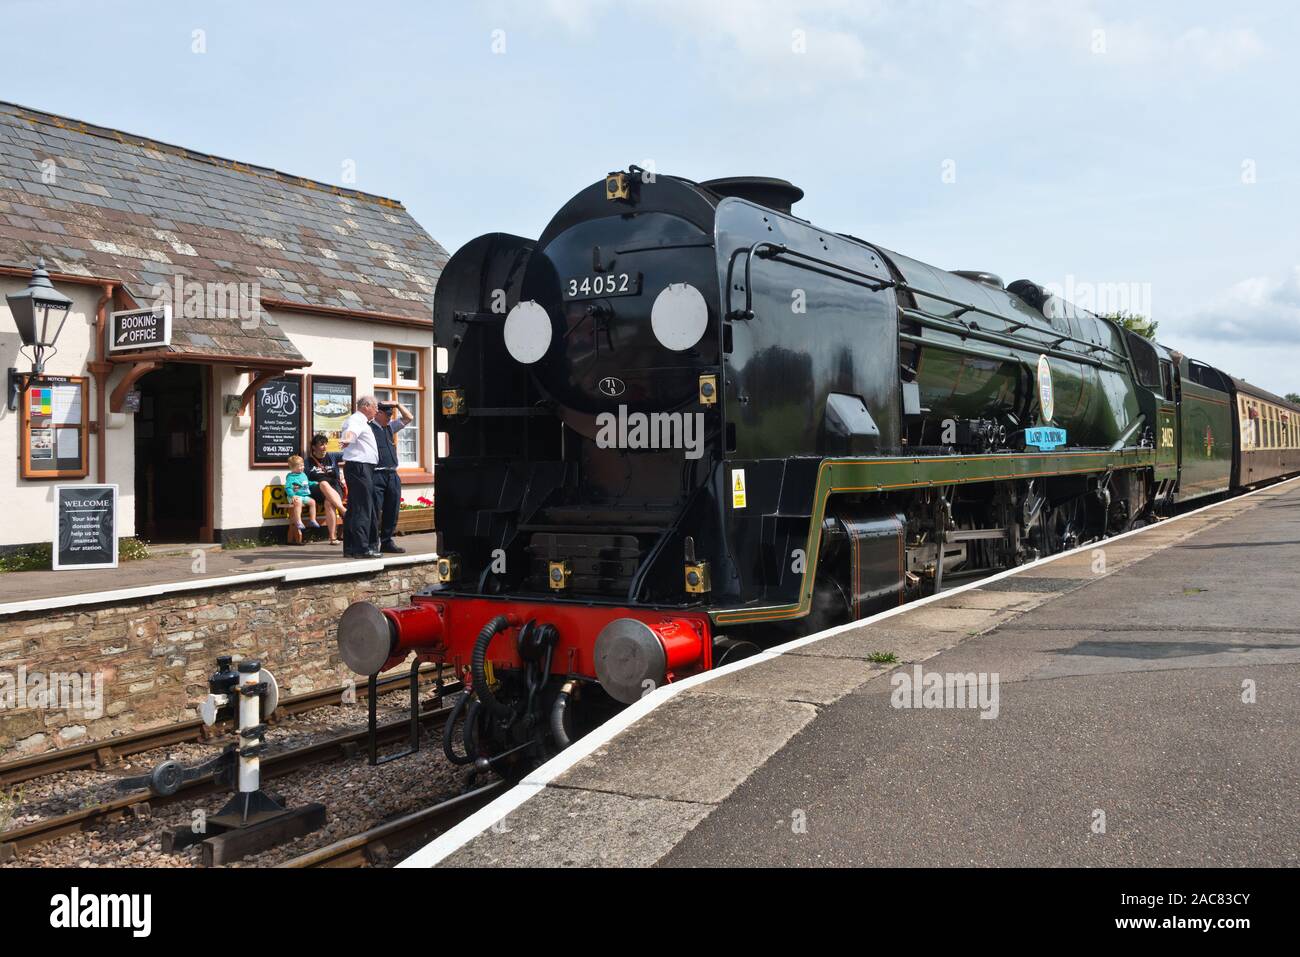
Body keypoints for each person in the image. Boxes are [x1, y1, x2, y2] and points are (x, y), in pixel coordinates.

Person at [369, 400, 414, 554]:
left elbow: (409, 418)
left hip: (392, 474)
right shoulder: (369, 429)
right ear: (378, 413)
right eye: (387, 415)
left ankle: (387, 541)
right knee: (375, 510)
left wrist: (397, 404)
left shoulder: (389, 427)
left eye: (391, 415)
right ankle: (372, 543)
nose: (389, 418)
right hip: (377, 474)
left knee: (392, 510)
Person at [339, 396, 380, 558]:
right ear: (366, 406)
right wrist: (347, 439)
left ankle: (351, 548)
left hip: (361, 467)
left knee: (356, 507)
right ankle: (362, 548)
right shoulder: (356, 419)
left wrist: (348, 439)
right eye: (375, 406)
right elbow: (350, 432)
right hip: (360, 467)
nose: (377, 410)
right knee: (363, 507)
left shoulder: (362, 421)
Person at [305, 433, 347, 545]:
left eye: (325, 444)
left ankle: (332, 538)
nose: (324, 447)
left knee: (329, 503)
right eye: (321, 444)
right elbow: (304, 480)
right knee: (323, 483)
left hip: (335, 488)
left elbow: (349, 455)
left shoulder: (332, 456)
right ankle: (343, 511)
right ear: (314, 447)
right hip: (317, 490)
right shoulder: (308, 462)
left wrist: (349, 444)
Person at [283, 455, 321, 546]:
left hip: (304, 496)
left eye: (302, 465)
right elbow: (287, 487)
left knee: (312, 502)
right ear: (292, 467)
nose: (302, 467)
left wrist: (314, 483)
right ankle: (298, 521)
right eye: (299, 466)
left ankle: (312, 519)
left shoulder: (303, 474)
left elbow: (307, 483)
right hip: (295, 496)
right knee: (298, 502)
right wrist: (292, 495)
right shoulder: (290, 476)